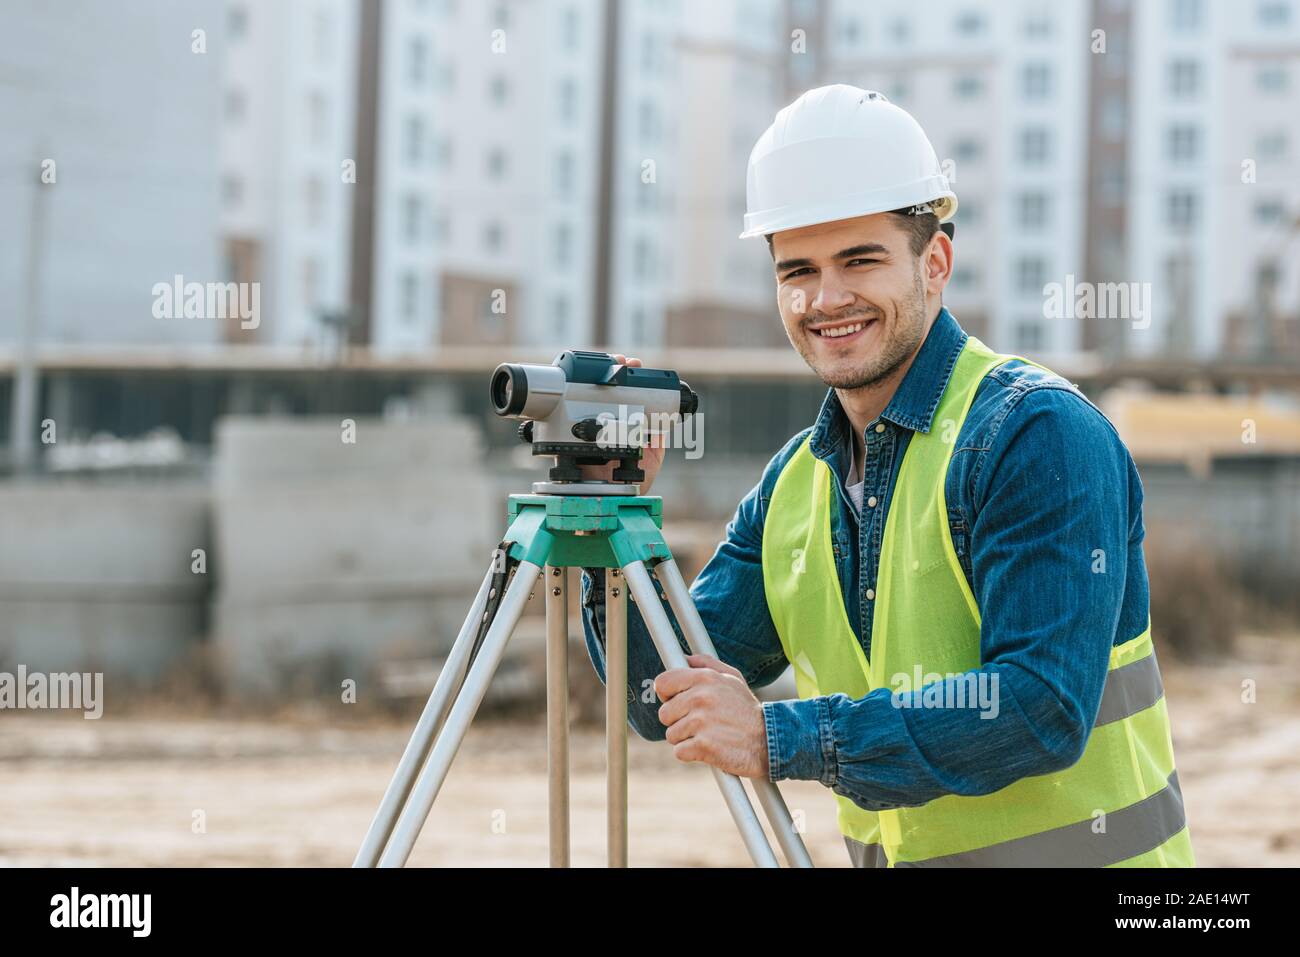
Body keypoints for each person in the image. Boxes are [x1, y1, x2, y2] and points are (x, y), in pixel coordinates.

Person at [579, 85, 1193, 867]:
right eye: (798, 269)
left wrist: (782, 735)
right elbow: (658, 694)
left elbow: (1040, 708)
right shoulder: (794, 485)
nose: (826, 298)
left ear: (935, 262)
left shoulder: (1036, 434)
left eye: (860, 260)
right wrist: (612, 517)